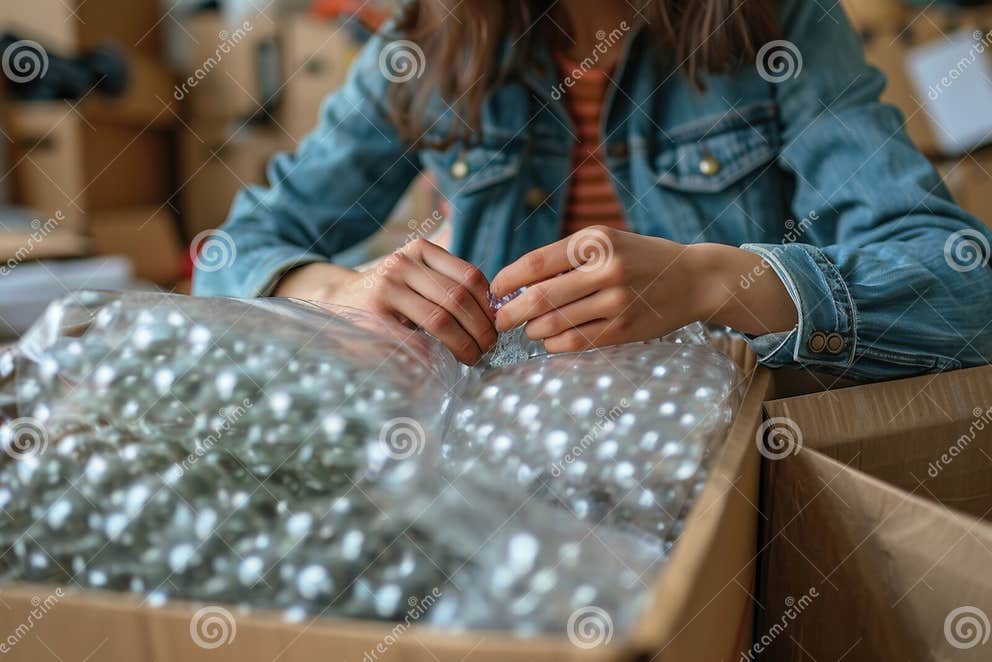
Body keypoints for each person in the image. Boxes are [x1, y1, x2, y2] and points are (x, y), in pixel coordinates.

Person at [193, 0, 992, 380]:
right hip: (503, 484)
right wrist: (339, 288)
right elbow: (228, 255)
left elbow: (965, 290)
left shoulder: (782, 24)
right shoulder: (426, 45)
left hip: (734, 466)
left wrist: (714, 280)